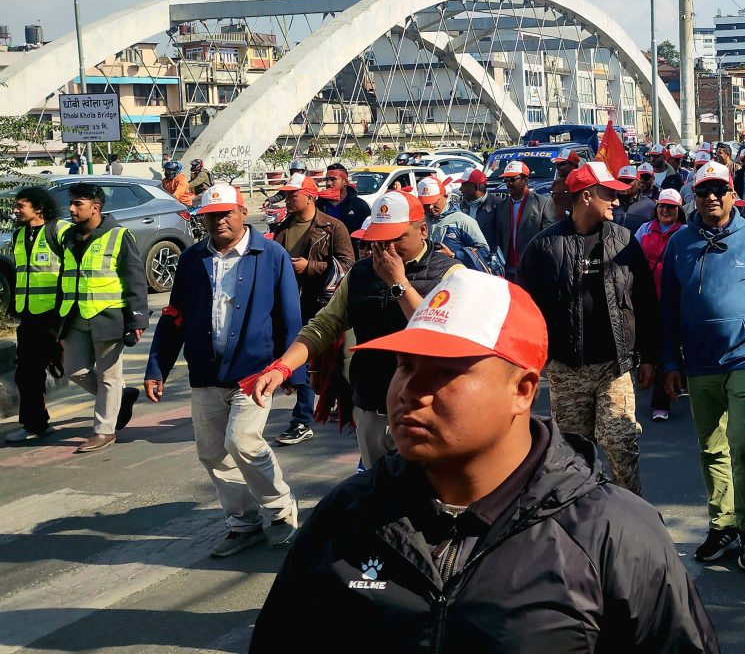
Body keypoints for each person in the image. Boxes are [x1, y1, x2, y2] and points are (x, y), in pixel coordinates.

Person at [250, 269, 719, 653]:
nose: (409, 391)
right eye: (405, 365)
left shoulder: (616, 535)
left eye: (445, 372)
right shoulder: (346, 517)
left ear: (522, 390)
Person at [146, 184, 304, 557]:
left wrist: (292, 371)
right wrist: (157, 367)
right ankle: (243, 521)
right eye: (211, 216)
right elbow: (175, 316)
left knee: (243, 441)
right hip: (205, 371)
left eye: (226, 213)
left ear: (241, 212)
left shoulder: (270, 255)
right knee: (213, 452)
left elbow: (290, 317)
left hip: (256, 370)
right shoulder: (192, 260)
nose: (220, 221)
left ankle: (281, 511)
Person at [660, 161, 745, 572]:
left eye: (720, 189)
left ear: (733, 194)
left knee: (744, 441)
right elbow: (668, 310)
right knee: (711, 448)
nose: (712, 197)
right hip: (699, 362)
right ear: (694, 198)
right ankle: (722, 525)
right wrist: (670, 361)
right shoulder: (678, 244)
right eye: (704, 191)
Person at [268, 191, 461, 468]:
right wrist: (283, 367)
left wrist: (398, 282)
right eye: (379, 240)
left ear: (422, 230)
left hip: (426, 408)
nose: (386, 249)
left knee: (426, 496)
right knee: (378, 493)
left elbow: (439, 333)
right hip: (371, 404)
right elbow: (325, 324)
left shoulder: (450, 273)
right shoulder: (360, 273)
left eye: (396, 238)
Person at [517, 161, 659, 495]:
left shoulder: (625, 242)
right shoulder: (543, 247)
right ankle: (582, 520)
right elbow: (525, 311)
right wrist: (530, 365)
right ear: (585, 196)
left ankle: (633, 517)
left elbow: (647, 303)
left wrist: (651, 357)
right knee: (573, 456)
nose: (616, 201)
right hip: (566, 370)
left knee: (621, 446)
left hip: (615, 367)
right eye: (609, 193)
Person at [58, 182, 148, 453]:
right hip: (75, 316)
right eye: (71, 203)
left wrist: (137, 319)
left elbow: (134, 279)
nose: (71, 209)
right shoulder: (69, 237)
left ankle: (104, 430)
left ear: (95, 208)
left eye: (78, 204)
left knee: (109, 376)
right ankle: (121, 397)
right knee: (74, 370)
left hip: (108, 316)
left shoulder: (119, 236)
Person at [269, 172, 355, 447]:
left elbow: (347, 265)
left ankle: (343, 410)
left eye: (293, 194)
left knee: (332, 363)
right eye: (286, 194)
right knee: (300, 362)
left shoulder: (333, 227)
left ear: (309, 196)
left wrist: (311, 267)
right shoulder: (282, 227)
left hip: (322, 306)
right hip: (288, 305)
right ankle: (302, 418)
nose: (288, 199)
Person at [5, 187, 69, 442]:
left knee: (74, 367)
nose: (15, 210)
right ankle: (35, 424)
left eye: (21, 206)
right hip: (30, 316)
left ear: (38, 208)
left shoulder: (60, 231)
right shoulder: (19, 234)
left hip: (57, 314)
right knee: (26, 372)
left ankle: (117, 397)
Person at [635, 188, 686, 422]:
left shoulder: (685, 233)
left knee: (670, 348)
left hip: (674, 301)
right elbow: (632, 260)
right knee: (652, 348)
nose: (665, 210)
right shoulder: (644, 230)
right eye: (662, 206)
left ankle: (662, 401)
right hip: (646, 300)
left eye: (670, 207)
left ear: (679, 210)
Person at [487, 159, 557, 281]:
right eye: (506, 180)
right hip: (507, 269)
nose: (509, 183)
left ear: (525, 180)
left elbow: (549, 238)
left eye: (513, 179)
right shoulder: (501, 206)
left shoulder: (543, 203)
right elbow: (498, 237)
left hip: (532, 269)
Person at [417, 176, 491, 271]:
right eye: (426, 203)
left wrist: (453, 255)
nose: (430, 207)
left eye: (434, 201)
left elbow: (484, 252)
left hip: (457, 279)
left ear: (445, 197)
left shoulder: (462, 221)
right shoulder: (420, 221)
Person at [319, 167, 371, 234]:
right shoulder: (318, 204)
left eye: (333, 179)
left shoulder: (360, 205)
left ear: (345, 182)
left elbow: (368, 230)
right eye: (326, 179)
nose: (328, 183)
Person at [456, 169, 502, 243]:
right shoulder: (460, 206)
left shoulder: (498, 205)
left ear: (475, 187)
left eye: (463, 185)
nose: (460, 189)